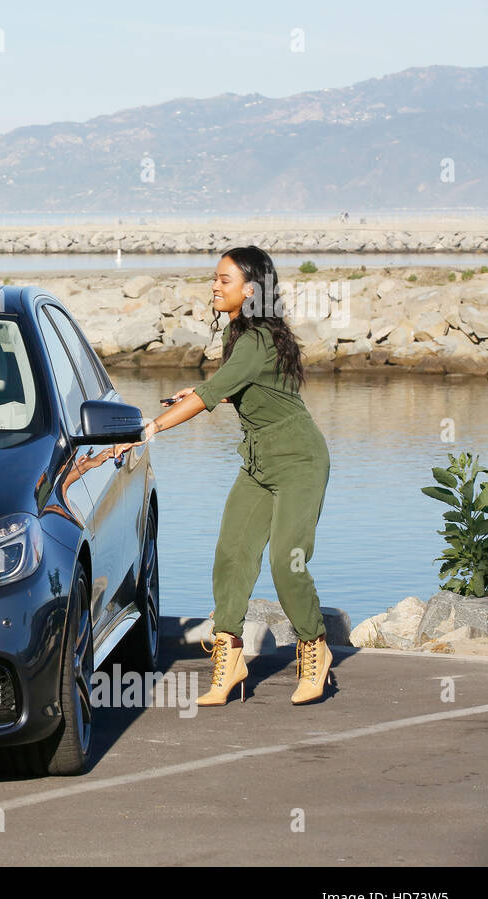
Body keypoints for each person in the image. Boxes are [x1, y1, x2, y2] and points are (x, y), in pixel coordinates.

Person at [109, 245, 333, 706]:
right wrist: (213, 392)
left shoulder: (257, 339)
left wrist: (149, 429)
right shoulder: (242, 333)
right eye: (215, 278)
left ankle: (315, 646)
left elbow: (212, 395)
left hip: (298, 461)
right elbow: (244, 388)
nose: (214, 285)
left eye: (224, 280)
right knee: (232, 556)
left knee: (285, 561)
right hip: (257, 462)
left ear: (250, 291)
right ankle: (230, 658)